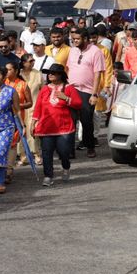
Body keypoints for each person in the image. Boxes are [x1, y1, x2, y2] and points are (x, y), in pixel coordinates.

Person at [32, 64, 82, 187]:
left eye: (53, 73)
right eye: (49, 73)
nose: (50, 75)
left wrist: (66, 98)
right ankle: (48, 176)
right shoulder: (44, 89)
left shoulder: (69, 88)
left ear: (61, 75)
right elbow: (38, 106)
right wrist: (33, 122)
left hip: (64, 127)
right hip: (46, 127)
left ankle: (66, 167)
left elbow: (79, 104)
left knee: (64, 152)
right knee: (46, 153)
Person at [67, 28, 105, 158]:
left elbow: (98, 73)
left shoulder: (96, 51)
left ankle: (90, 147)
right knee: (70, 120)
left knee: (86, 121)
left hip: (87, 91)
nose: (75, 41)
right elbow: (68, 68)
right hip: (72, 90)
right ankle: (70, 149)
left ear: (85, 39)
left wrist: (94, 94)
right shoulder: (72, 50)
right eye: (73, 39)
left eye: (77, 39)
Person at [5, 59, 34, 174]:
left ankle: (9, 170)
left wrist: (18, 105)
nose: (6, 71)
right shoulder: (2, 83)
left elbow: (30, 103)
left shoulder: (23, 85)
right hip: (3, 118)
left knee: (12, 144)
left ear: (16, 71)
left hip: (17, 119)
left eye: (9, 69)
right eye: (5, 69)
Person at [19, 53, 43, 166]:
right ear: (24, 63)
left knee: (33, 131)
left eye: (33, 60)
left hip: (34, 107)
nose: (33, 62)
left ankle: (36, 154)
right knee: (21, 131)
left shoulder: (38, 73)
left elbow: (42, 90)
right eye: (30, 60)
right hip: (21, 108)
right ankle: (23, 155)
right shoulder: (18, 74)